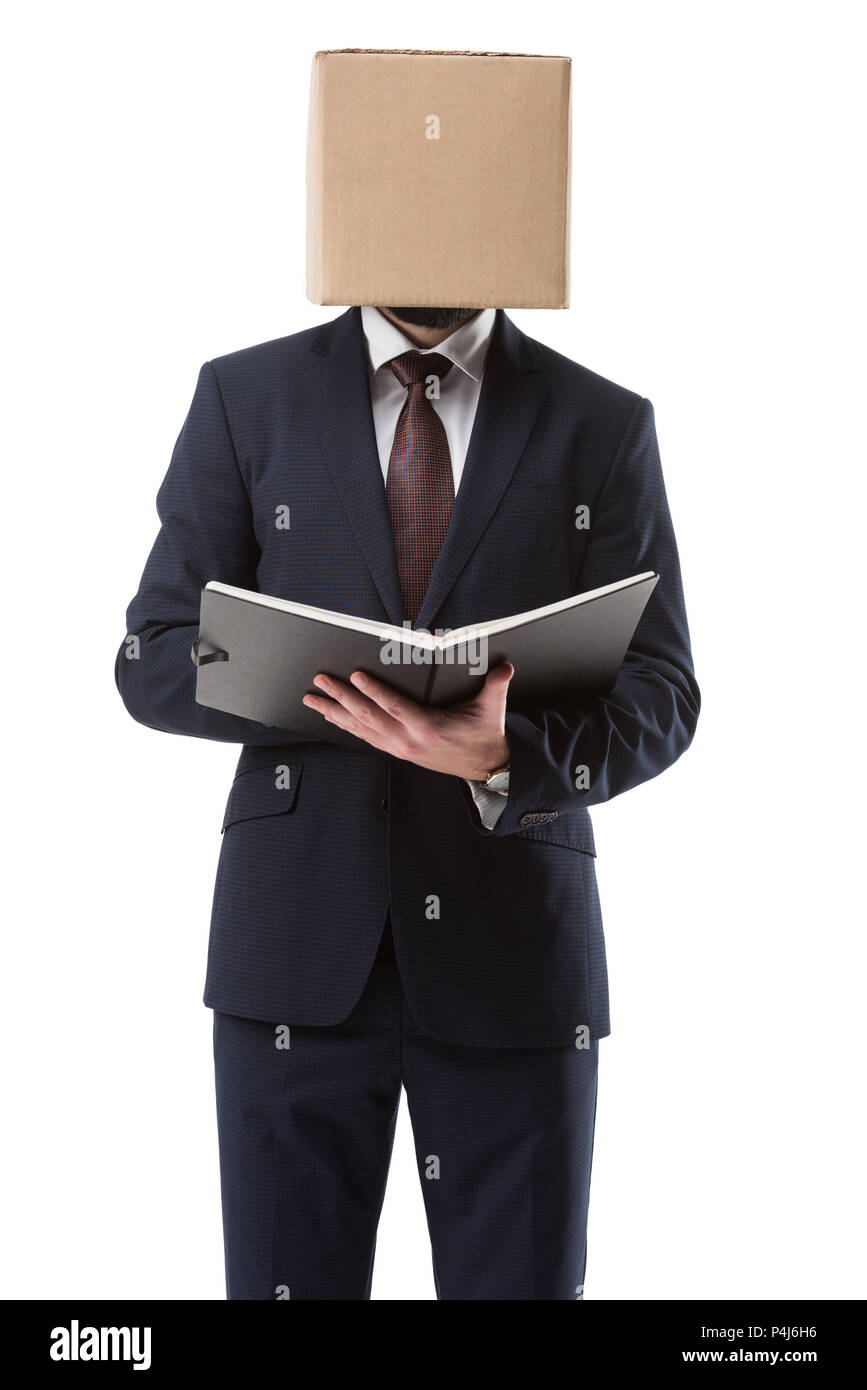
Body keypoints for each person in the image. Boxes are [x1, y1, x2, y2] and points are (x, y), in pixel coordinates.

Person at [116, 301, 699, 1300]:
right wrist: (325, 682)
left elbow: (663, 694)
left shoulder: (600, 420)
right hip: (294, 947)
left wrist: (507, 750)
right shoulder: (245, 398)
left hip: (515, 951)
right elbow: (150, 659)